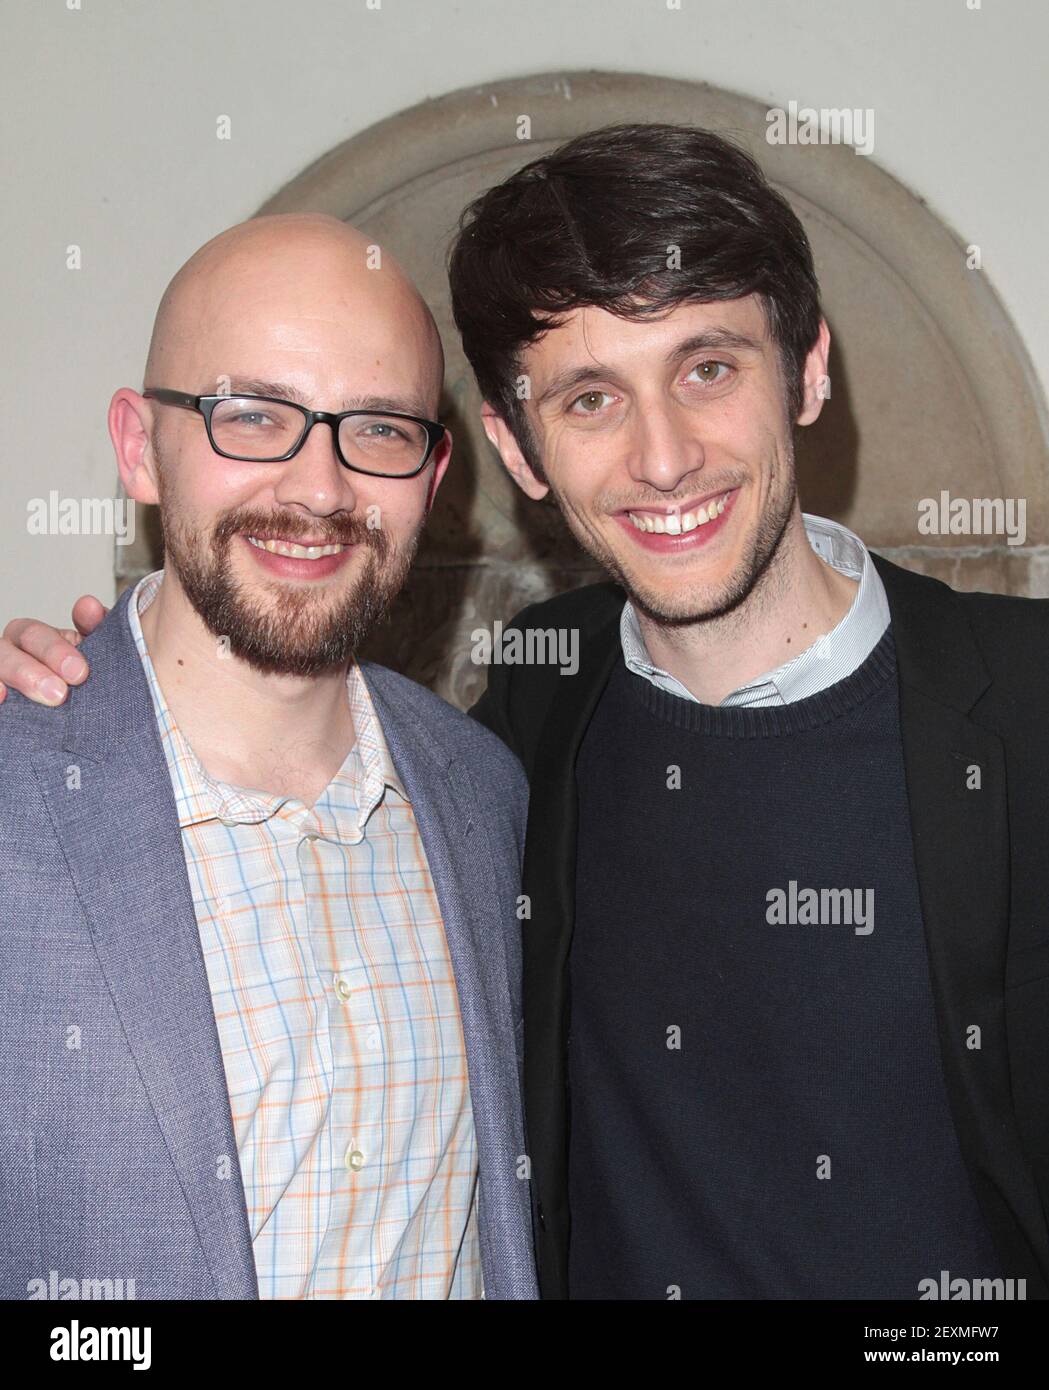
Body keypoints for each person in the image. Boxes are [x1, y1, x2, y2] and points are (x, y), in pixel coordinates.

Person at [9, 124, 1049, 1302]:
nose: (663, 459)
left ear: (807, 367)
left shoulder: (1019, 706)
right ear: (516, 448)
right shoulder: (524, 729)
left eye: (707, 367)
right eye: (591, 396)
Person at [0, 213, 536, 1301]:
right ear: (140, 447)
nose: (319, 490)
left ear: (432, 478)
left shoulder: (483, 793)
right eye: (252, 415)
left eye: (377, 428)